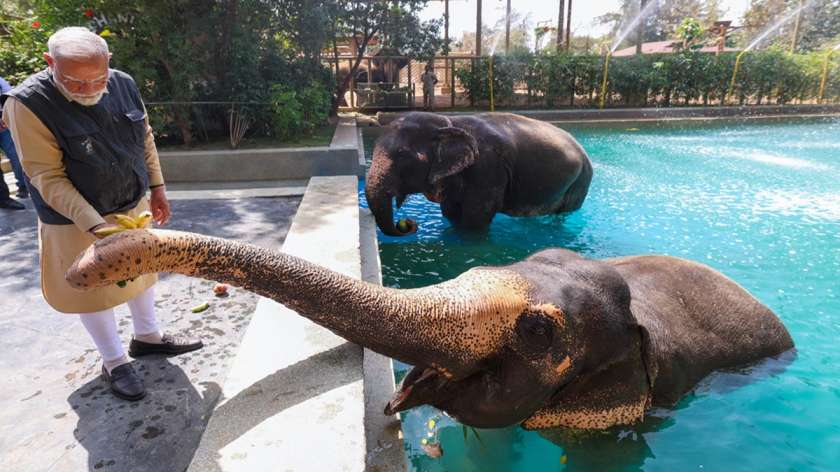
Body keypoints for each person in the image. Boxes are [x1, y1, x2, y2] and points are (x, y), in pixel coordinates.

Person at [1, 27, 203, 401]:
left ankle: (148, 337)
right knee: (91, 289)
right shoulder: (26, 103)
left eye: (98, 78)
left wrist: (157, 187)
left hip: (130, 201)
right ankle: (114, 360)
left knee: (142, 273)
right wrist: (95, 225)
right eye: (74, 81)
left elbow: (143, 138)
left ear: (109, 63)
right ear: (50, 63)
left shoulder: (123, 83)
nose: (88, 88)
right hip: (73, 217)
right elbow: (47, 176)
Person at [0, 76, 27, 210]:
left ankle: (23, 187)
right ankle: (3, 199)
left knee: (16, 156)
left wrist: (5, 117)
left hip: (3, 126)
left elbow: (9, 95)